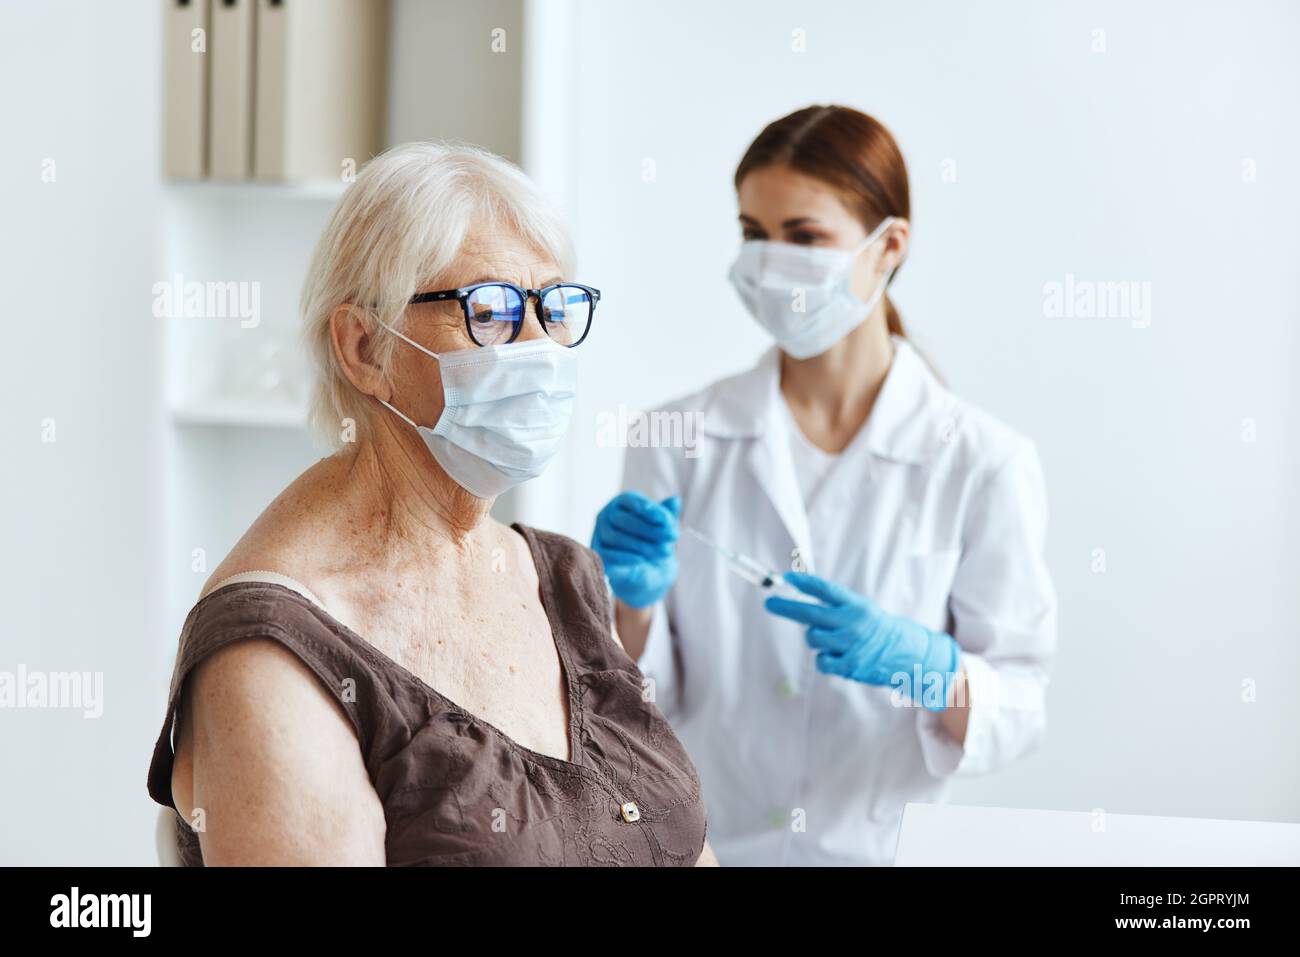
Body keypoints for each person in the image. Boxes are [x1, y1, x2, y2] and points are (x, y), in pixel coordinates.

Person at [146, 142, 715, 866]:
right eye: (491, 311)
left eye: (554, 305)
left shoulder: (562, 577)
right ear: (363, 348)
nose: (538, 348)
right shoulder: (274, 652)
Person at [591, 106, 1057, 866]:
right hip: (705, 850)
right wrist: (629, 607)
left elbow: (1021, 705)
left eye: (804, 237)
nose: (772, 263)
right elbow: (629, 707)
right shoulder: (673, 436)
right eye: (753, 233)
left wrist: (928, 668)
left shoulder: (981, 461)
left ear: (889, 247)